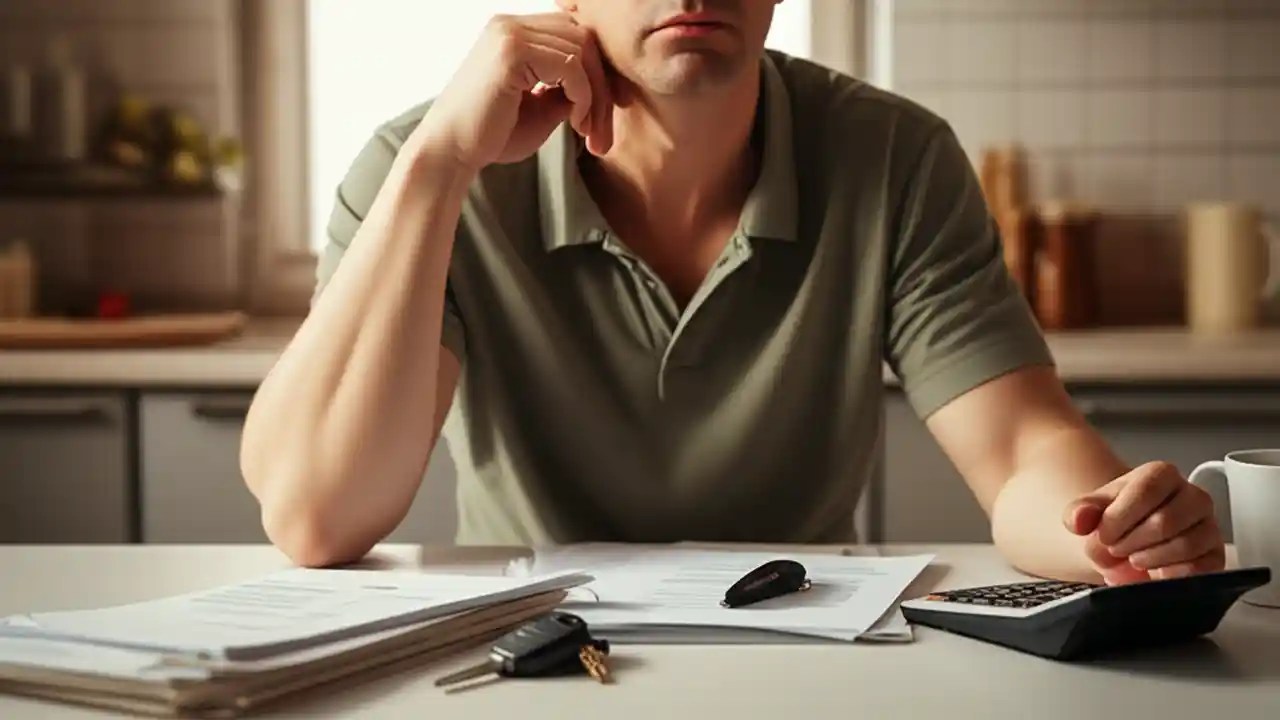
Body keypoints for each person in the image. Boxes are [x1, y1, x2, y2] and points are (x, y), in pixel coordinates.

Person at [240, 0, 1225, 586]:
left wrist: (1108, 530)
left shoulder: (893, 156)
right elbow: (316, 517)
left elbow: (1018, 450)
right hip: (521, 667)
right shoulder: (421, 162)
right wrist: (438, 165)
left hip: (806, 655)